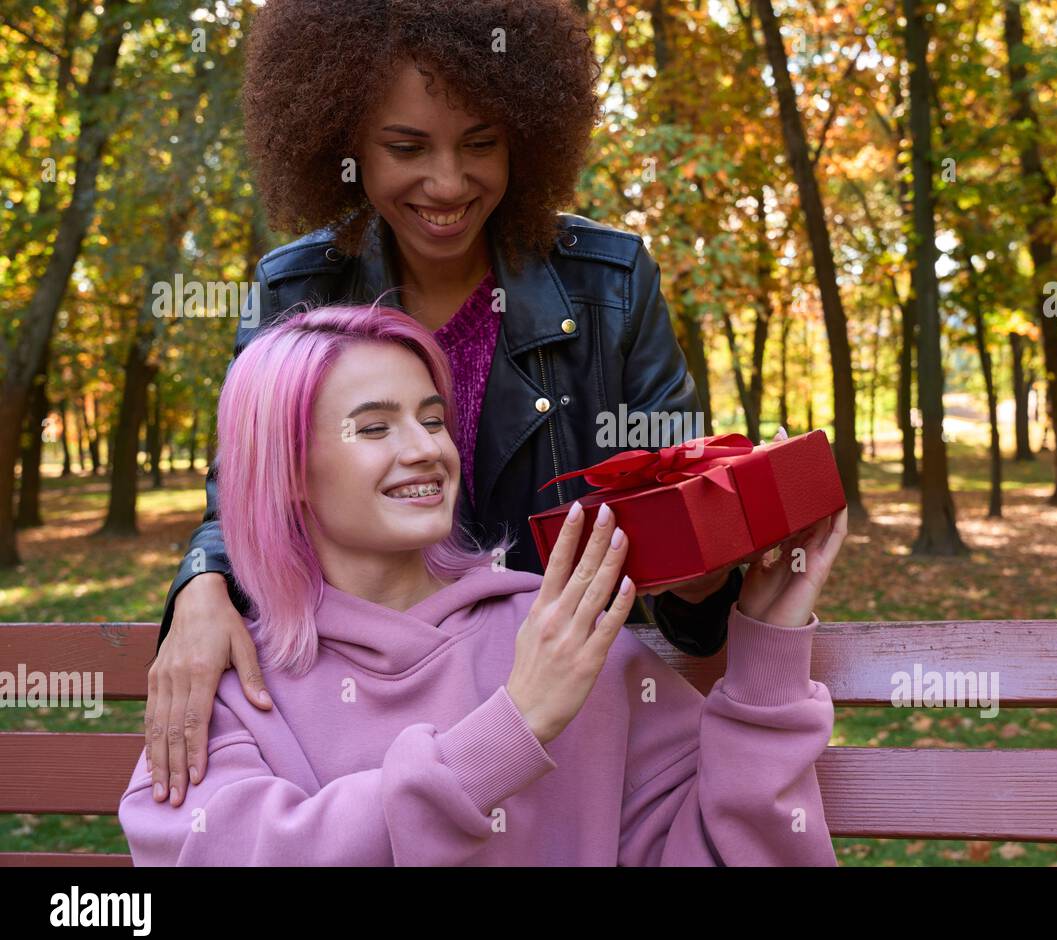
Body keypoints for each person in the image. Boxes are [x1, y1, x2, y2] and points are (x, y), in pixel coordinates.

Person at [147, 0, 751, 807]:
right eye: (405, 147)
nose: (447, 183)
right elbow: (247, 494)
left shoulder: (608, 285)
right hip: (364, 731)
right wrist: (199, 586)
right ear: (344, 145)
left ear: (526, 139)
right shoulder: (297, 289)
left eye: (481, 144)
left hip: (566, 727)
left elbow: (690, 598)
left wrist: (706, 570)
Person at [119, 304, 848, 866]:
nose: (425, 450)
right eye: (373, 429)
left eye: (432, 419)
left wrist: (767, 662)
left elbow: (722, 851)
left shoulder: (559, 630)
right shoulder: (228, 687)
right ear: (285, 471)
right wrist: (512, 730)